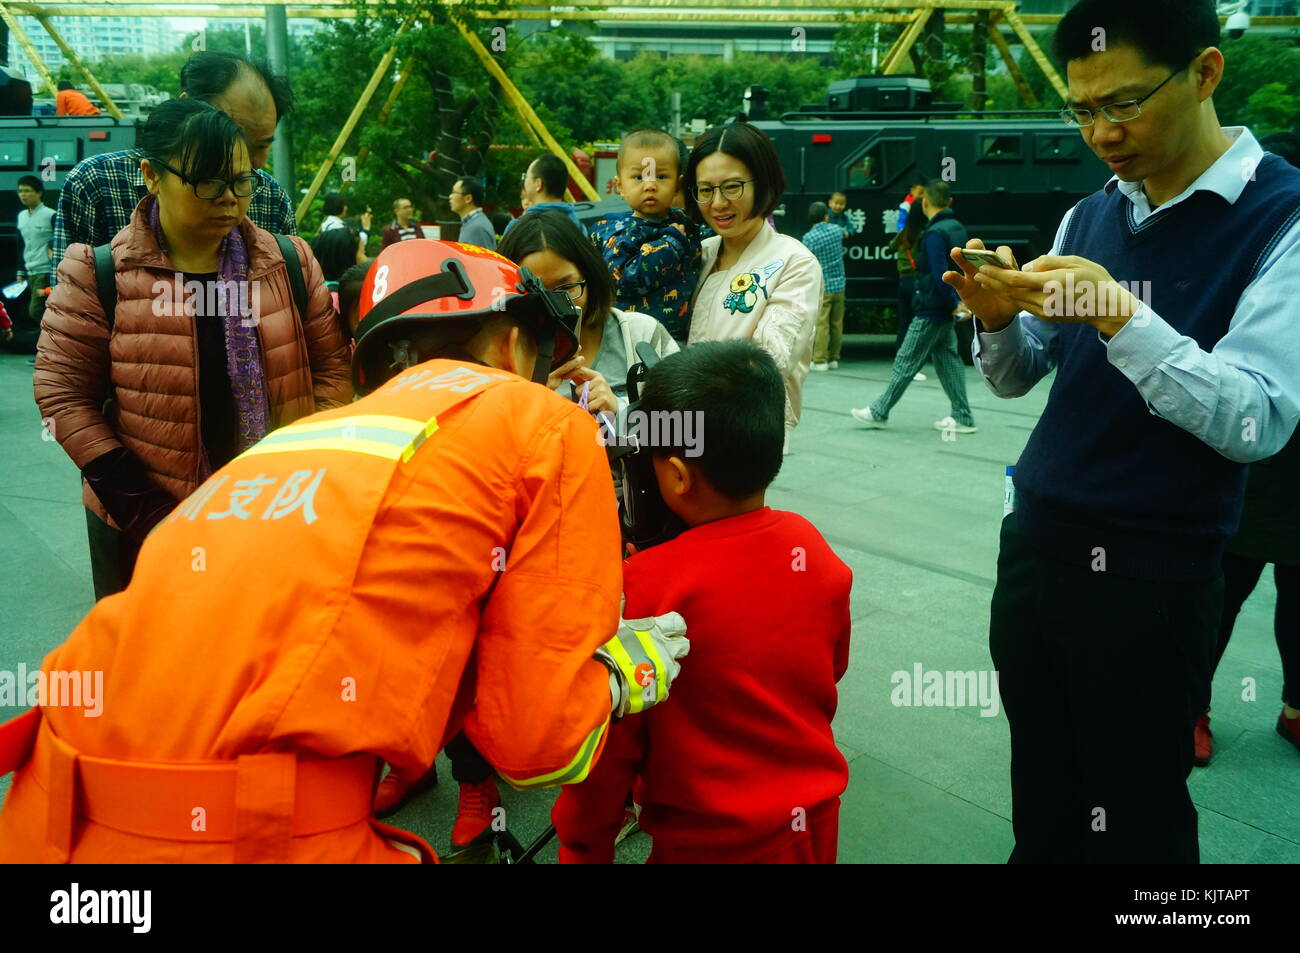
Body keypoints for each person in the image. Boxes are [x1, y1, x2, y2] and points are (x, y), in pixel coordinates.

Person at [0, 239, 690, 864]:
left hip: (46, 810)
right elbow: (541, 741)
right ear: (514, 344)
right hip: (243, 833)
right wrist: (628, 667)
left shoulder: (297, 443)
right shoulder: (544, 419)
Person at [949, 0, 1300, 863]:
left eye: (1127, 103)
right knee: (1043, 792)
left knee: (1137, 814)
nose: (1103, 132)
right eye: (1082, 109)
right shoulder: (1089, 214)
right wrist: (995, 319)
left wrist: (1118, 311)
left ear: (1207, 73)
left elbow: (1256, 417)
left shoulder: (1281, 219)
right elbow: (1022, 374)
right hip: (1035, 549)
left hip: (1153, 574)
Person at [33, 98, 351, 602]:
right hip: (143, 526)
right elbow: (62, 395)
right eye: (206, 181)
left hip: (273, 517)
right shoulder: (98, 272)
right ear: (151, 176)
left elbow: (333, 371)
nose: (228, 198)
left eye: (241, 181)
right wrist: (142, 508)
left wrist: (302, 478)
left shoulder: (289, 262)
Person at [552, 340, 852, 863]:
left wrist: (584, 844)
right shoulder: (812, 546)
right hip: (814, 826)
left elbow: (611, 748)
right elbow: (830, 666)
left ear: (677, 475)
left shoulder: (644, 586)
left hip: (704, 843)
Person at [1197, 129, 1300, 764]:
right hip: (1252, 466)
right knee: (1218, 593)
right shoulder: (1257, 239)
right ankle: (1190, 706)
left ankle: (1295, 707)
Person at [51, 51, 297, 280]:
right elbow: (69, 309)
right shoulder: (97, 184)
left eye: (260, 146)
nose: (243, 160)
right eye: (226, 133)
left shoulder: (271, 199)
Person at [685, 121, 821, 456]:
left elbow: (767, 365)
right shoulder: (696, 253)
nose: (718, 203)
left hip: (741, 437)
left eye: (732, 187)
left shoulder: (793, 262)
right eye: (705, 190)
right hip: (675, 431)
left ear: (763, 183)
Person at [850, 179, 975, 434]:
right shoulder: (957, 228)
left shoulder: (933, 233)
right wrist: (960, 300)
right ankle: (962, 416)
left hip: (931, 307)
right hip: (944, 307)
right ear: (949, 202)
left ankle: (879, 411)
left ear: (926, 202)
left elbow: (940, 274)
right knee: (948, 362)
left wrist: (952, 303)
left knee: (906, 360)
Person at [588, 128, 703, 344]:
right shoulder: (615, 232)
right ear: (620, 186)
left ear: (677, 185)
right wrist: (670, 244)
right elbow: (624, 280)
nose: (650, 185)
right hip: (631, 342)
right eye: (639, 177)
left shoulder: (684, 223)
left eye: (661, 176)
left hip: (680, 338)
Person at [887, 195, 930, 378]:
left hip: (903, 281)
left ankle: (900, 361)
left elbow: (890, 247)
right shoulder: (924, 234)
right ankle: (912, 367)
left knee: (903, 324)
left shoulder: (904, 232)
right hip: (916, 282)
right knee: (916, 326)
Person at [801, 201, 846, 372]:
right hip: (840, 283)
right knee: (837, 323)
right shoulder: (836, 231)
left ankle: (820, 360)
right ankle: (834, 358)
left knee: (822, 324)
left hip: (823, 286)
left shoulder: (808, 238)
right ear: (826, 216)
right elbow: (845, 232)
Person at [504, 153, 584, 236]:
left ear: (538, 184)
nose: (524, 181)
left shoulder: (517, 228)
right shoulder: (578, 226)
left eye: (526, 177)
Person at [16, 175, 55, 332]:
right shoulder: (21, 216)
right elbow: (21, 245)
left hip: (45, 271)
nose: (23, 194)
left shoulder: (51, 215)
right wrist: (20, 271)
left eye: (27, 191)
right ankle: (48, 347)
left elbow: (59, 241)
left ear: (39, 193)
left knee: (36, 311)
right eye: (20, 191)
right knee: (42, 310)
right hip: (30, 271)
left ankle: (53, 341)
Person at [449, 177, 496, 251]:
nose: (450, 196)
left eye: (453, 192)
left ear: (468, 198)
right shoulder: (471, 223)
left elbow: (482, 261)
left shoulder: (478, 228)